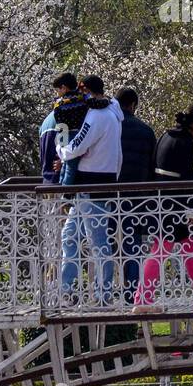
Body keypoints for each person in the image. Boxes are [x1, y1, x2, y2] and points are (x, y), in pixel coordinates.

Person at [134, 106, 193, 313]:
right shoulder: (185, 142)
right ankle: (142, 300)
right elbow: (188, 177)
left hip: (160, 203)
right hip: (175, 206)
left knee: (189, 248)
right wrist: (191, 209)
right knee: (163, 251)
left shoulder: (165, 135)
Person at [56, 76, 124, 305]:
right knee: (70, 236)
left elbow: (77, 146)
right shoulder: (113, 111)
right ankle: (67, 289)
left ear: (85, 89)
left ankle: (103, 294)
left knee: (98, 243)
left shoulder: (97, 116)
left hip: (91, 186)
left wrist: (61, 149)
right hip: (100, 184)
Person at [115, 86, 158, 298]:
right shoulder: (146, 131)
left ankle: (109, 288)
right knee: (135, 244)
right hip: (140, 198)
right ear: (134, 105)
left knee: (109, 243)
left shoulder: (111, 127)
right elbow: (152, 166)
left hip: (112, 195)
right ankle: (133, 290)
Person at [39, 72, 80, 184]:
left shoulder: (47, 120)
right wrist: (63, 160)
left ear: (64, 88)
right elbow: (66, 144)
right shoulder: (76, 111)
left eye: (57, 90)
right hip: (60, 180)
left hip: (47, 179)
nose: (57, 94)